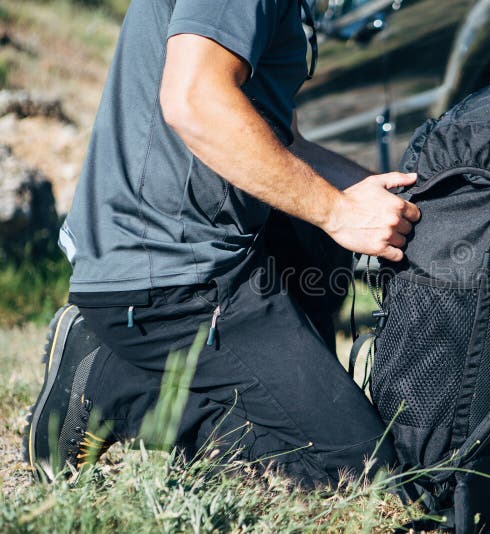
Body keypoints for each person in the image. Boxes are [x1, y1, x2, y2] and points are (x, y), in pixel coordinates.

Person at [23, 0, 421, 486]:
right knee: (359, 474)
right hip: (175, 273)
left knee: (353, 449)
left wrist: (399, 200)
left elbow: (284, 143)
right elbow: (193, 100)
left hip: (209, 258)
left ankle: (123, 363)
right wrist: (336, 213)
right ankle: (113, 383)